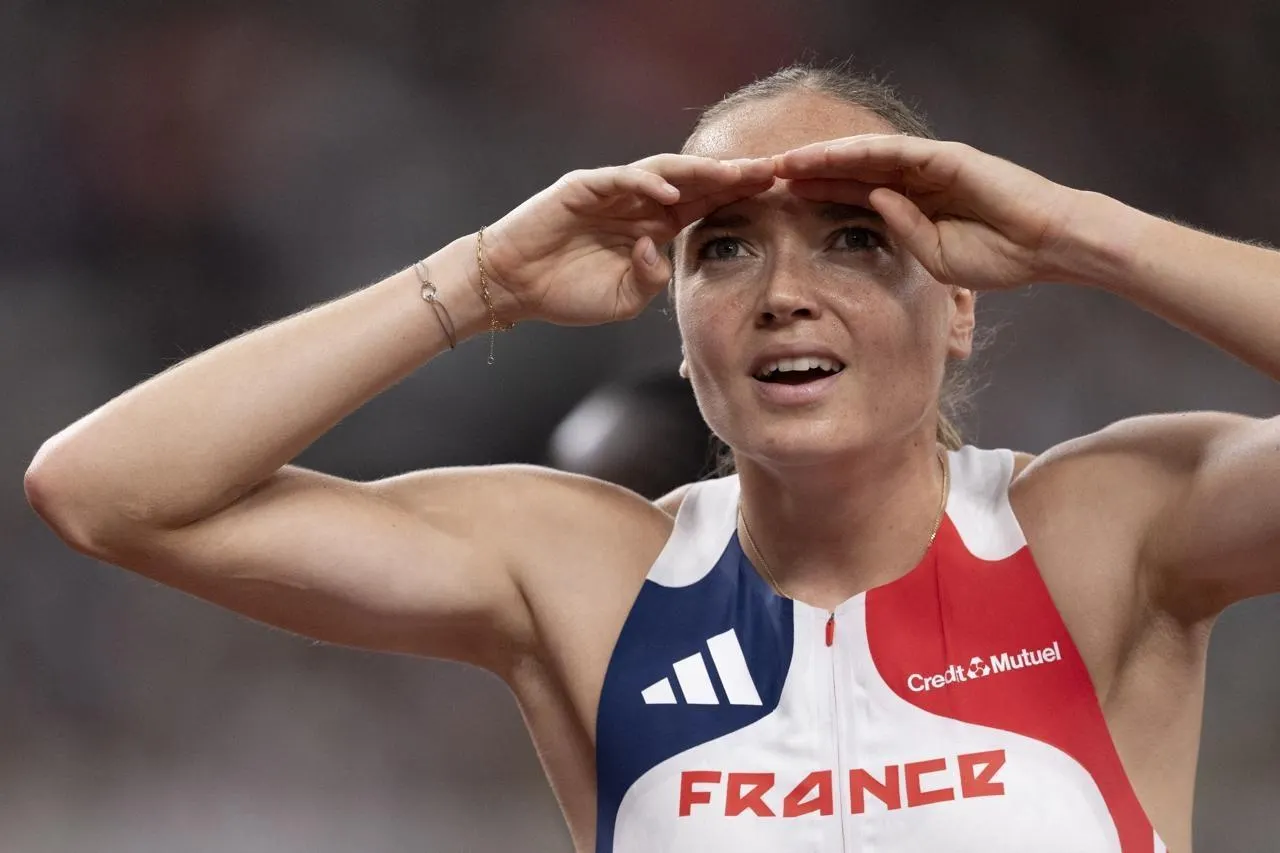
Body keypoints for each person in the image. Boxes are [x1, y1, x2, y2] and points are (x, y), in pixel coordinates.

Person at [23, 63, 1280, 853]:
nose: (785, 291)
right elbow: (107, 492)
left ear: (956, 303)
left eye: (851, 238)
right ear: (678, 334)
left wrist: (1082, 232)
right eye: (722, 248)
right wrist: (480, 279)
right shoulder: (592, 578)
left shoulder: (1098, 532)